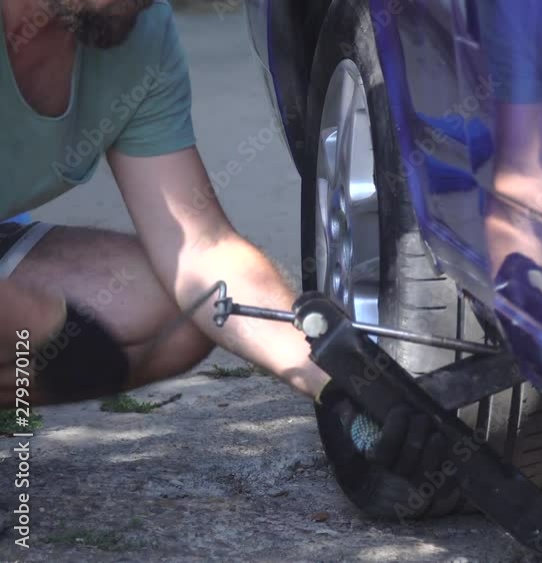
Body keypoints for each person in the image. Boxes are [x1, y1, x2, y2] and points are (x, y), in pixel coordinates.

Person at [0, 0, 437, 484]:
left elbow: (201, 249)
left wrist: (340, 381)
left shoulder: (140, 32)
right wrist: (46, 325)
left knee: (174, 317)